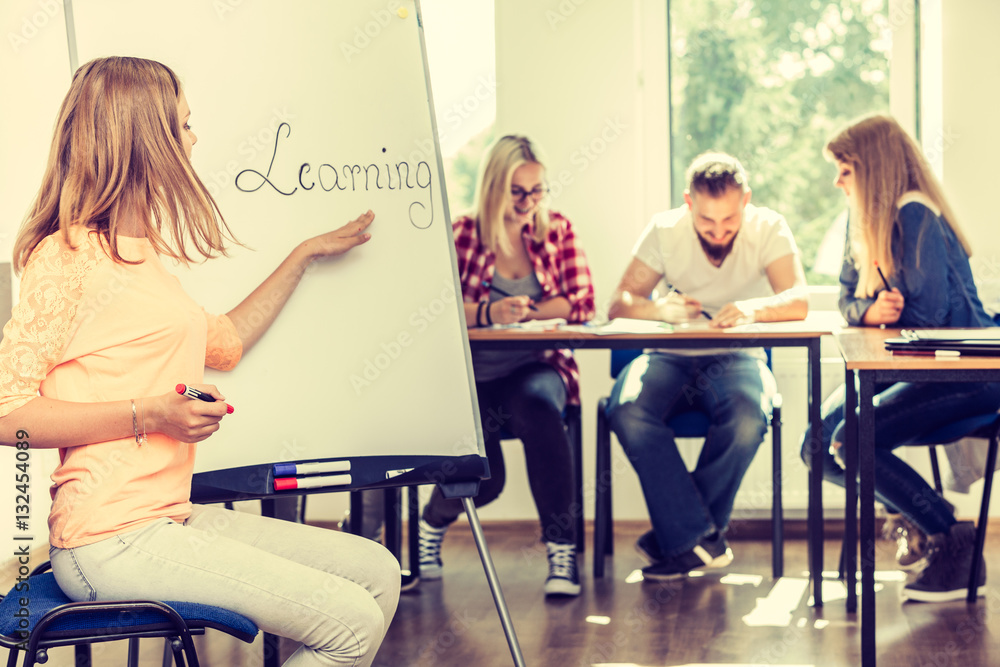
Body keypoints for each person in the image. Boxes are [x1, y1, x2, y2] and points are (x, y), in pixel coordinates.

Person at [0, 56, 399, 666]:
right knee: (349, 623)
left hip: (168, 521)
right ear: (147, 139)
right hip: (108, 538)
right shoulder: (69, 255)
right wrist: (149, 413)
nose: (194, 137)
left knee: (377, 570)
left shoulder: (144, 255)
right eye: (183, 124)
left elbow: (226, 342)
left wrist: (304, 253)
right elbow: (8, 414)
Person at [799, 113, 1000, 602]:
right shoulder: (865, 217)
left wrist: (892, 310)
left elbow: (929, 322)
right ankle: (922, 520)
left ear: (874, 167)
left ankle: (955, 543)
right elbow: (845, 297)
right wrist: (870, 311)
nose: (837, 181)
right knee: (817, 444)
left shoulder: (915, 214)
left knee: (851, 443)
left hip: (968, 374)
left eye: (845, 169)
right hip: (921, 367)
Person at [605, 151, 808, 580]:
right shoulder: (664, 229)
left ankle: (676, 540)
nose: (718, 232)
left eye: (729, 220)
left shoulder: (768, 227)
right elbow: (619, 304)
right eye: (706, 221)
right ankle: (698, 539)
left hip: (738, 356)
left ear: (746, 201)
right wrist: (661, 309)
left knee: (750, 418)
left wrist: (751, 310)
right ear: (688, 203)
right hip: (668, 357)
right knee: (626, 409)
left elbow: (798, 300)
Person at [417, 135, 596, 597]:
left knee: (539, 406)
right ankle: (431, 524)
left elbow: (582, 304)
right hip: (474, 374)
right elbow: (437, 310)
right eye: (519, 192)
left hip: (536, 366)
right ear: (495, 187)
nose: (530, 202)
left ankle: (562, 551)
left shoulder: (557, 230)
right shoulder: (461, 234)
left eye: (539, 191)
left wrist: (525, 312)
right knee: (487, 479)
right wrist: (488, 313)